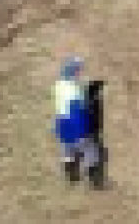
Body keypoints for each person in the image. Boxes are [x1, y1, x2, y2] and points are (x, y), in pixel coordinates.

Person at [53, 58, 105, 188]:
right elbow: (76, 108)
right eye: (78, 70)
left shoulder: (59, 86)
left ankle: (72, 176)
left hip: (62, 123)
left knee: (68, 149)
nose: (79, 73)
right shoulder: (73, 90)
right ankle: (95, 180)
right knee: (90, 149)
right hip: (74, 122)